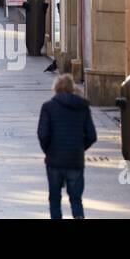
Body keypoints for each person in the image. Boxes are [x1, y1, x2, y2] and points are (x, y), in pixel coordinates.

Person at [37, 74, 98, 219]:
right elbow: (92, 135)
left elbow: (42, 134)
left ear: (56, 89)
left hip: (54, 160)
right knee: (76, 199)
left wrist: (49, 150)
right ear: (72, 88)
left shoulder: (48, 107)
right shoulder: (82, 107)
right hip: (75, 160)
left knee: (54, 198)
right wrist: (79, 148)